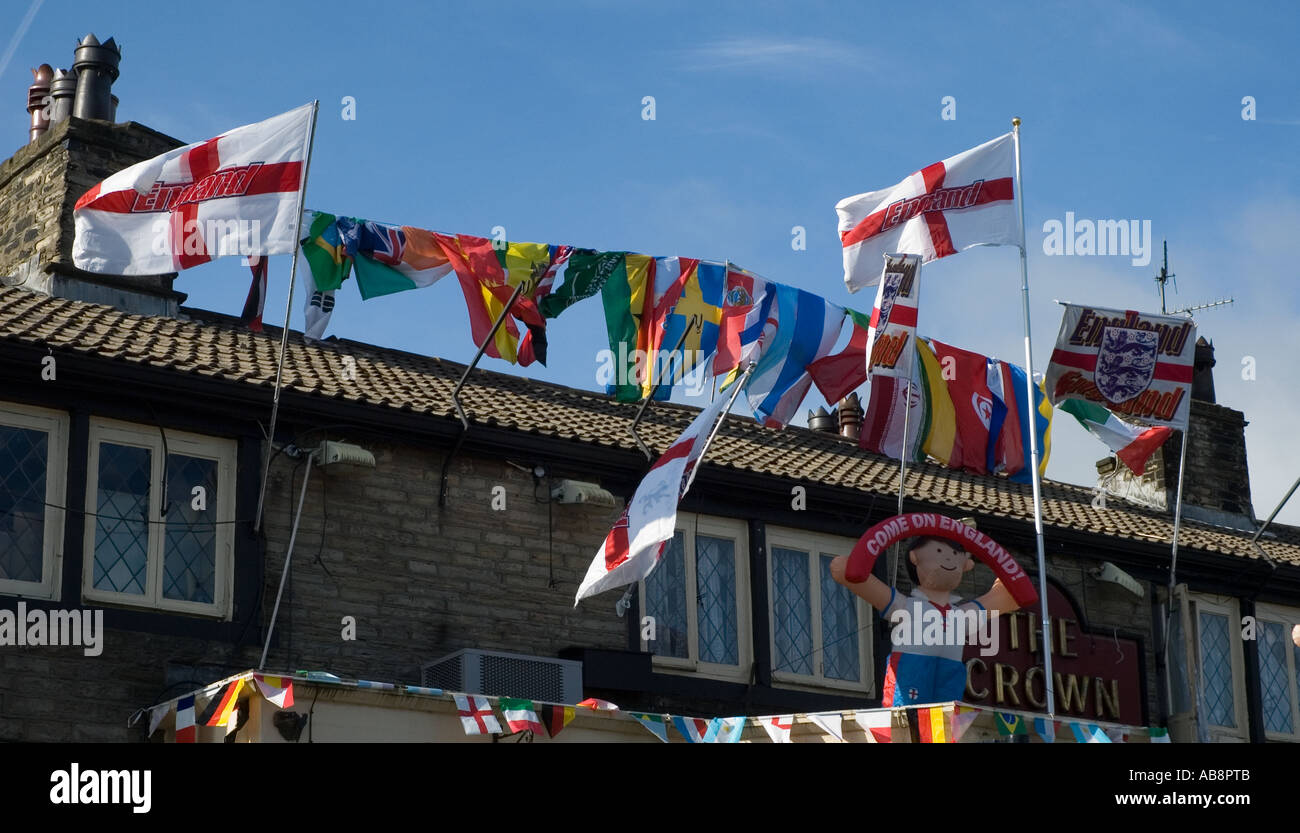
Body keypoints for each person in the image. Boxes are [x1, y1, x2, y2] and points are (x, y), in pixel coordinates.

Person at [829, 524, 1021, 707]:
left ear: (966, 565)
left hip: (950, 669)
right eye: (939, 552)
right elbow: (872, 588)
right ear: (914, 558)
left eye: (955, 554)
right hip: (912, 667)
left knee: (945, 716)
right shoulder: (909, 606)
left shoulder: (958, 614)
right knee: (907, 715)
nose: (948, 559)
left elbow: (998, 602)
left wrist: (1007, 594)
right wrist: (852, 572)